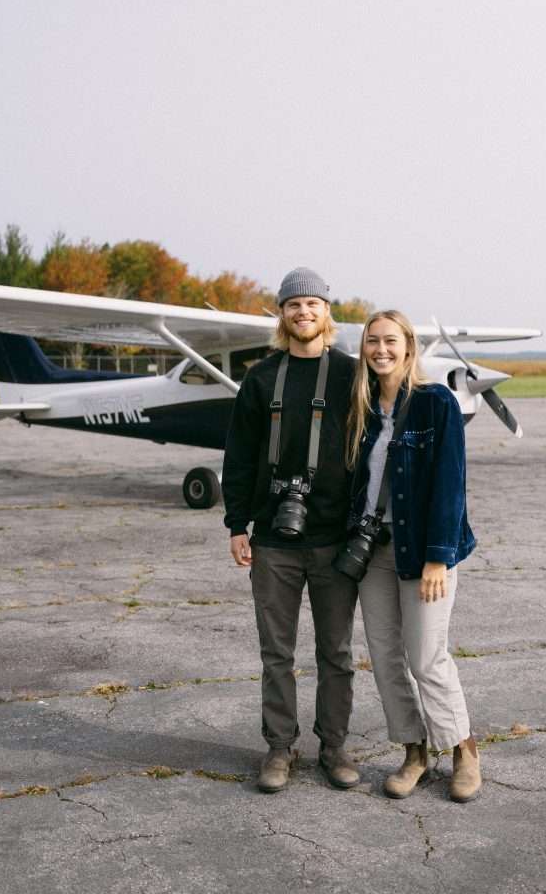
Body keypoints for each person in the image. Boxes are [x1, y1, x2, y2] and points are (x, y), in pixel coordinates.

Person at [222, 267, 359, 794]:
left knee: (337, 653)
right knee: (276, 653)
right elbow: (238, 454)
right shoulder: (260, 378)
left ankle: (335, 747)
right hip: (274, 541)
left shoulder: (351, 373)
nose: (304, 313)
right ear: (281, 315)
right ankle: (279, 749)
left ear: (328, 313)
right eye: (293, 305)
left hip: (333, 540)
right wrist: (237, 523)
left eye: (313, 304)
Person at [345, 309, 481, 802]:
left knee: (426, 657)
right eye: (371, 341)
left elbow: (451, 483)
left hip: (423, 552)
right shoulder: (359, 409)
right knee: (384, 658)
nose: (380, 349)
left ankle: (463, 749)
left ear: (407, 348)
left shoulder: (434, 403)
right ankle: (414, 751)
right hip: (373, 553)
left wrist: (438, 558)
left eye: (390, 341)